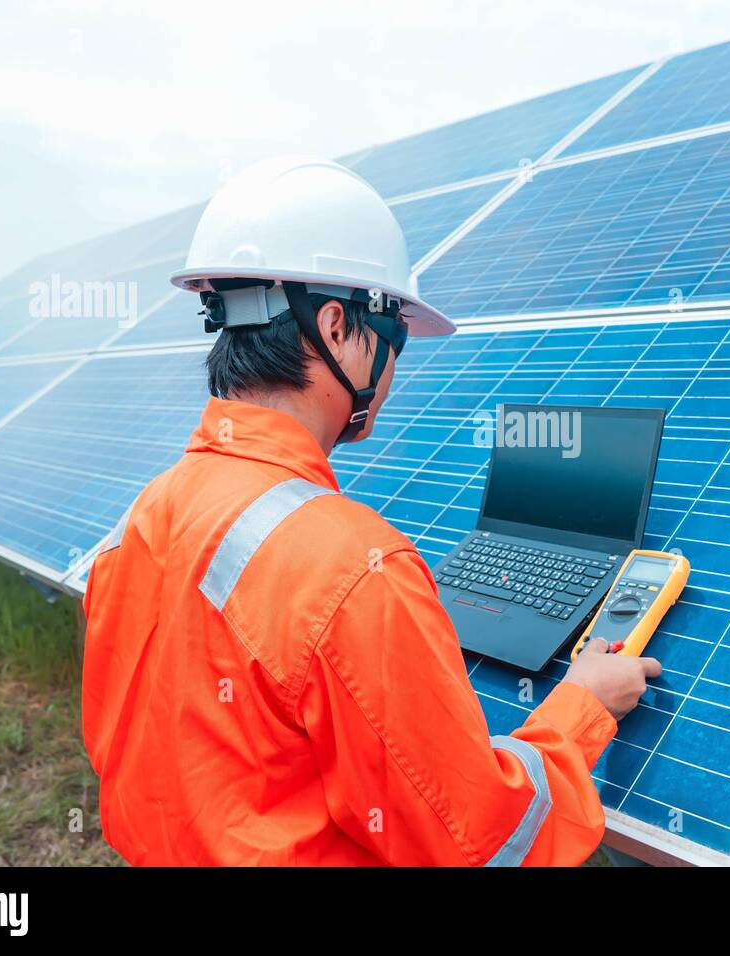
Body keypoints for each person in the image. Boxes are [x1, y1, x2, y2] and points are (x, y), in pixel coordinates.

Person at [81, 156, 661, 865]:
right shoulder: (352, 571)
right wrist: (585, 707)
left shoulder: (142, 518)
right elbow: (481, 841)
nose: (394, 371)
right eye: (394, 340)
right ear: (335, 327)